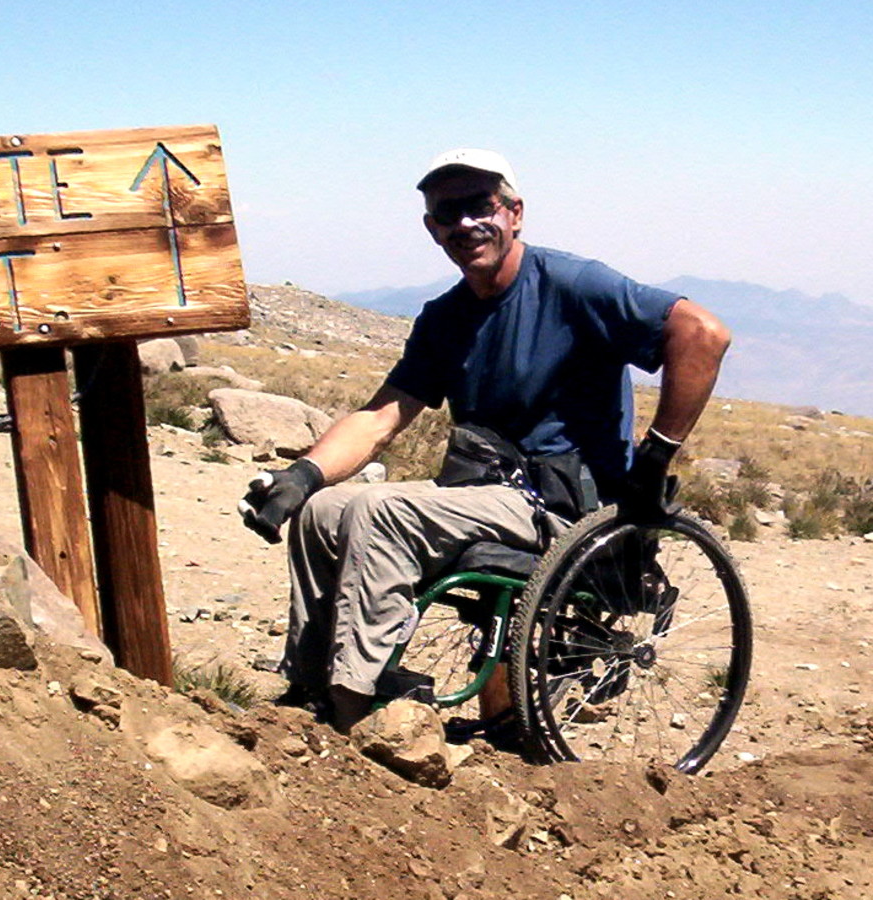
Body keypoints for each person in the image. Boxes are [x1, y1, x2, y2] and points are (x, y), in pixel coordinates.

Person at [239, 148, 731, 734]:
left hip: (562, 504)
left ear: (514, 212)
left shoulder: (572, 285)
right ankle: (312, 685)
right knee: (324, 510)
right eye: (449, 213)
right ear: (433, 229)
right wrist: (303, 476)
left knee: (379, 510)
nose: (465, 224)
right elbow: (379, 418)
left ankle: (354, 701)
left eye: (481, 207)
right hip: (484, 491)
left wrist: (655, 457)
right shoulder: (446, 317)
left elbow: (702, 333)